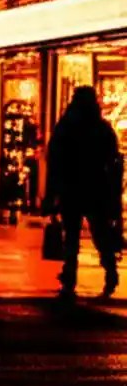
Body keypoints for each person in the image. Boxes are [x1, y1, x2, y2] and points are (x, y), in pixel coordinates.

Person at [44, 86, 122, 297]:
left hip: (71, 189)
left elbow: (55, 162)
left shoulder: (65, 127)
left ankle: (69, 276)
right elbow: (113, 160)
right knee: (100, 233)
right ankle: (110, 271)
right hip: (97, 187)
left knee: (71, 236)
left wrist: (51, 194)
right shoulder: (102, 128)